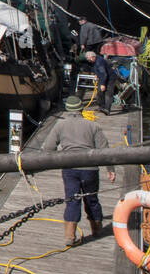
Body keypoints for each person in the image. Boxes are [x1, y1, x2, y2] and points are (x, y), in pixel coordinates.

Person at [39, 95, 116, 245]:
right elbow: (105, 150)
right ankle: (97, 230)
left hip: (70, 169)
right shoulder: (93, 126)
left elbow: (49, 148)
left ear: (68, 109)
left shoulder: (60, 125)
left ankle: (70, 237)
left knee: (72, 201)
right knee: (92, 200)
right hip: (90, 169)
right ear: (81, 109)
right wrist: (110, 169)